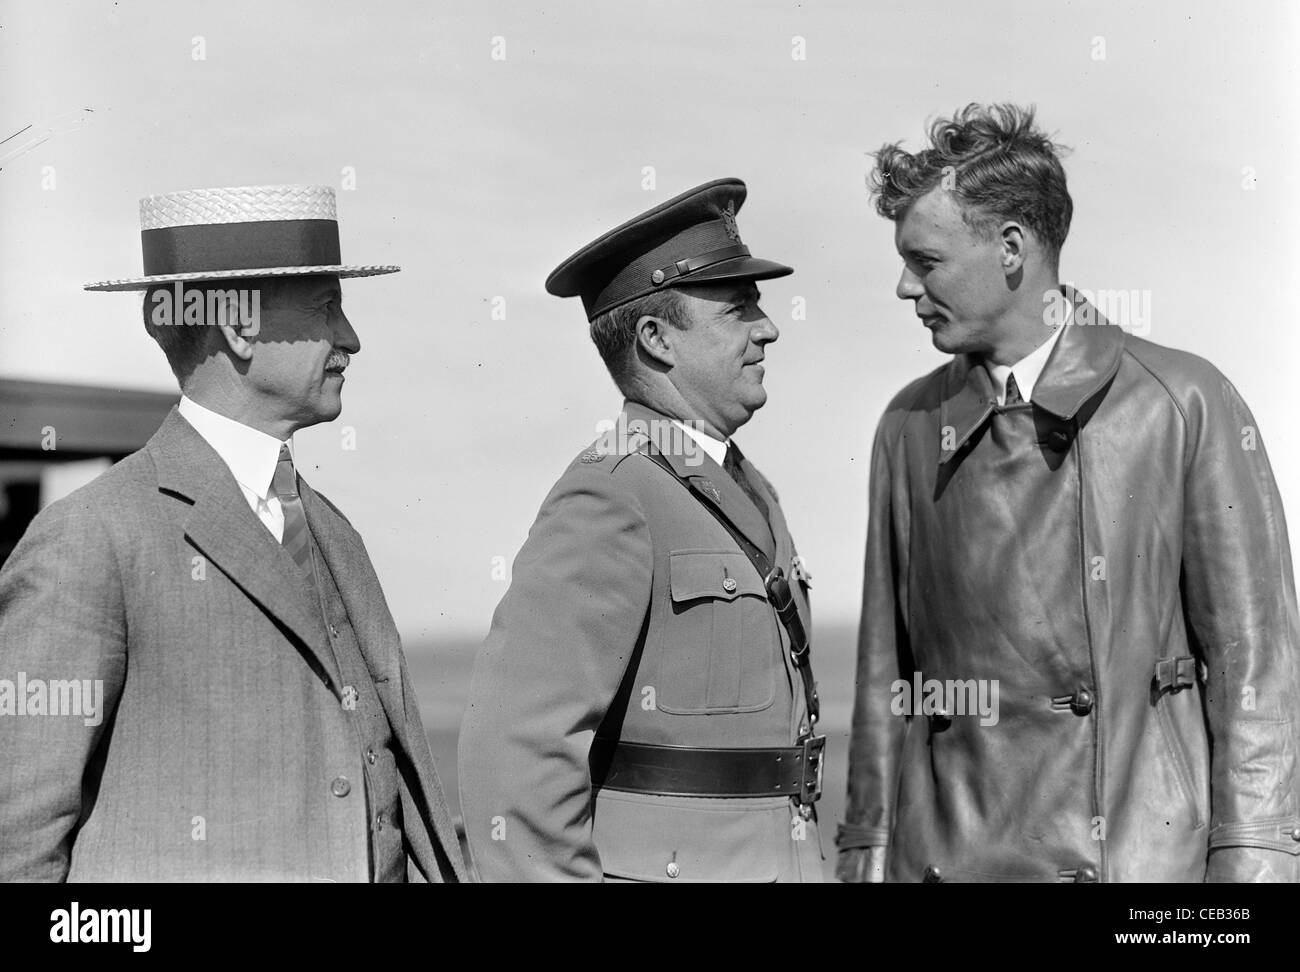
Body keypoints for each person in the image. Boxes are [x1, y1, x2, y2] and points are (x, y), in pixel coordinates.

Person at [837, 104, 1300, 883]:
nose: (903, 286)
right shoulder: (909, 426)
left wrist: (1256, 863)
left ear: (1011, 248)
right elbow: (891, 680)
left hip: (1139, 870)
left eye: (926, 260)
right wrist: (865, 856)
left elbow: (1255, 662)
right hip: (947, 863)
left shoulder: (1179, 399)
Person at [0, 184, 464, 882]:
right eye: (325, 307)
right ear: (241, 328)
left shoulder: (334, 532)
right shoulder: (92, 538)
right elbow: (18, 847)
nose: (351, 338)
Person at [459, 178, 825, 881]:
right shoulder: (613, 493)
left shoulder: (747, 486)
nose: (768, 328)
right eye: (739, 309)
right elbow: (514, 755)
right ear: (657, 340)